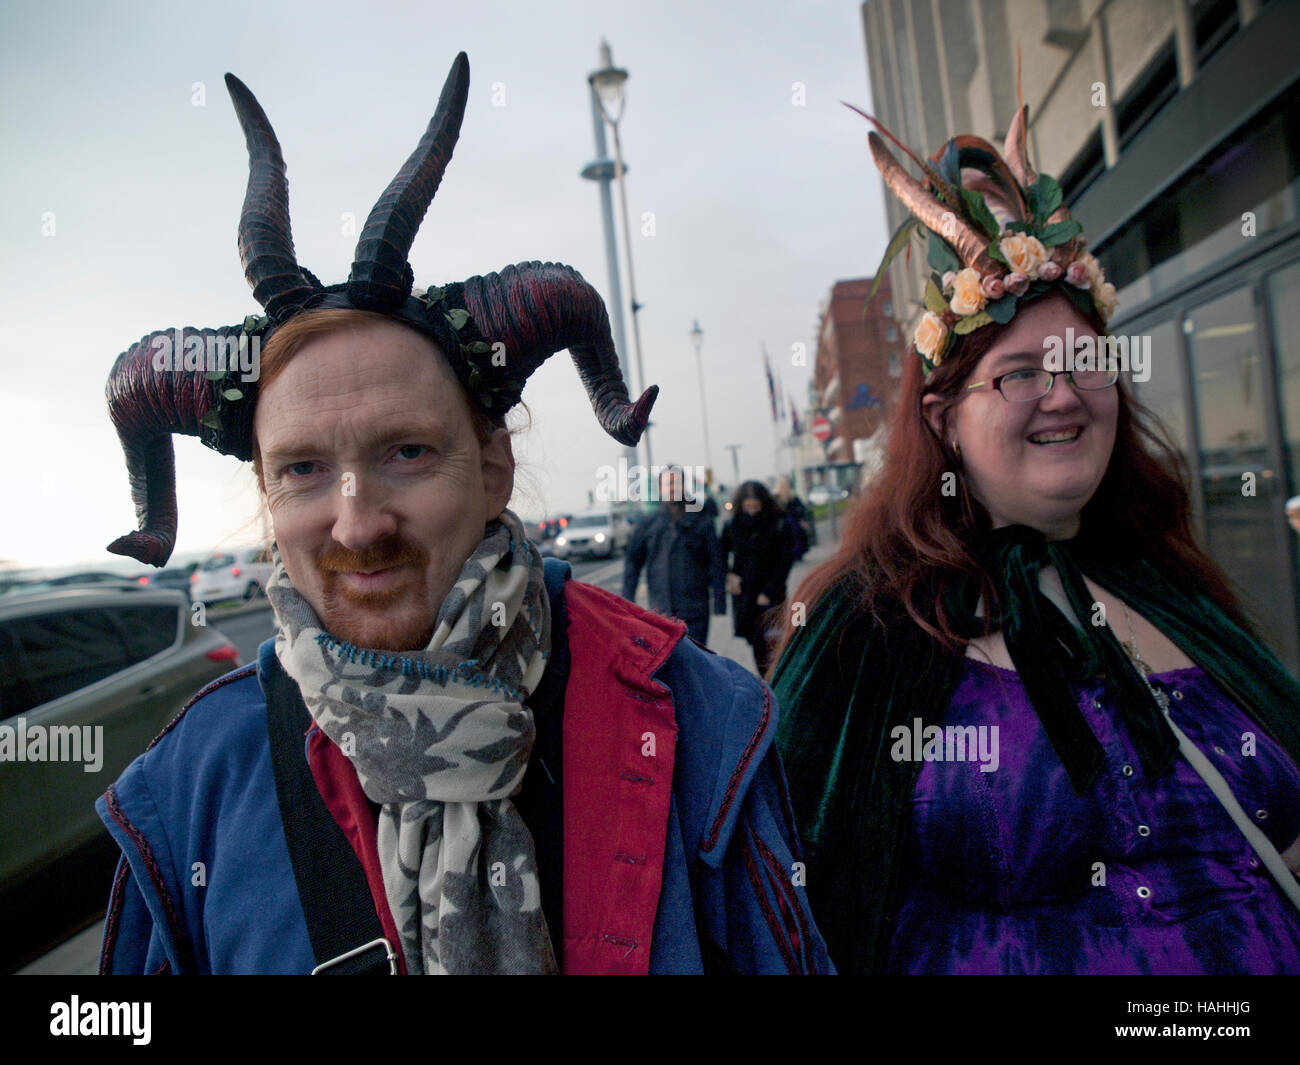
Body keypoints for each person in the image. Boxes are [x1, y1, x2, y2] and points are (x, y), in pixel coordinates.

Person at [94, 54, 830, 976]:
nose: (357, 523)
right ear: (265, 494)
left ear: (493, 466)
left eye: (406, 452)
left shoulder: (698, 718)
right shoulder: (191, 792)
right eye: (304, 469)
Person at [768, 97, 1300, 975]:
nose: (1063, 394)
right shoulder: (869, 624)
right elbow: (793, 902)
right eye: (1018, 374)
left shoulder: (1169, 580)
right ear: (943, 421)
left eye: (1084, 363)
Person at [622, 466, 726, 647]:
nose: (672, 488)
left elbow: (716, 562)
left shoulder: (700, 519)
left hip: (695, 609)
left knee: (697, 661)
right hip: (662, 611)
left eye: (676, 483)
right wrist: (627, 601)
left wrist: (719, 600)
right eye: (667, 484)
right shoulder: (649, 523)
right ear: (660, 489)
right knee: (668, 667)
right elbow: (632, 563)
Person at [721, 481, 793, 674]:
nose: (752, 511)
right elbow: (719, 555)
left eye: (756, 507)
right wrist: (729, 576)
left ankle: (774, 680)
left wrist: (769, 591)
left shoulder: (777, 523)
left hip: (772, 592)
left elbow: (784, 561)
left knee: (774, 641)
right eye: (748, 507)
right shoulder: (733, 525)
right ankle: (766, 682)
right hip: (746, 594)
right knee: (756, 643)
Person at [773, 475, 813, 559]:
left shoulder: (778, 497)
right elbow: (801, 509)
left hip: (789, 522)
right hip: (792, 522)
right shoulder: (791, 496)